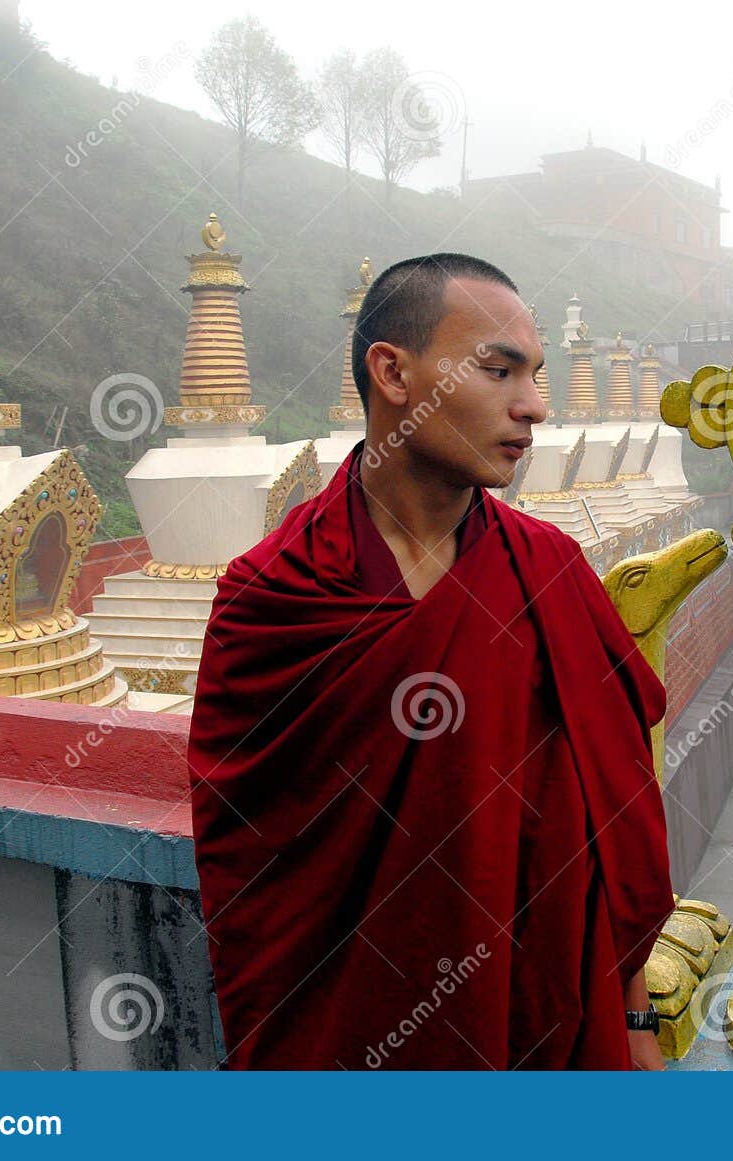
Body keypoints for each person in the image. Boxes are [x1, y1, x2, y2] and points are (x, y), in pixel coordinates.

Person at [187, 253, 675, 1070]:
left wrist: (636, 1024)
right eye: (499, 371)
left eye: (539, 375)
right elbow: (253, 875)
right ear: (393, 373)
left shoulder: (548, 572)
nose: (535, 407)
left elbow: (616, 828)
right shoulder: (277, 599)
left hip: (547, 1020)